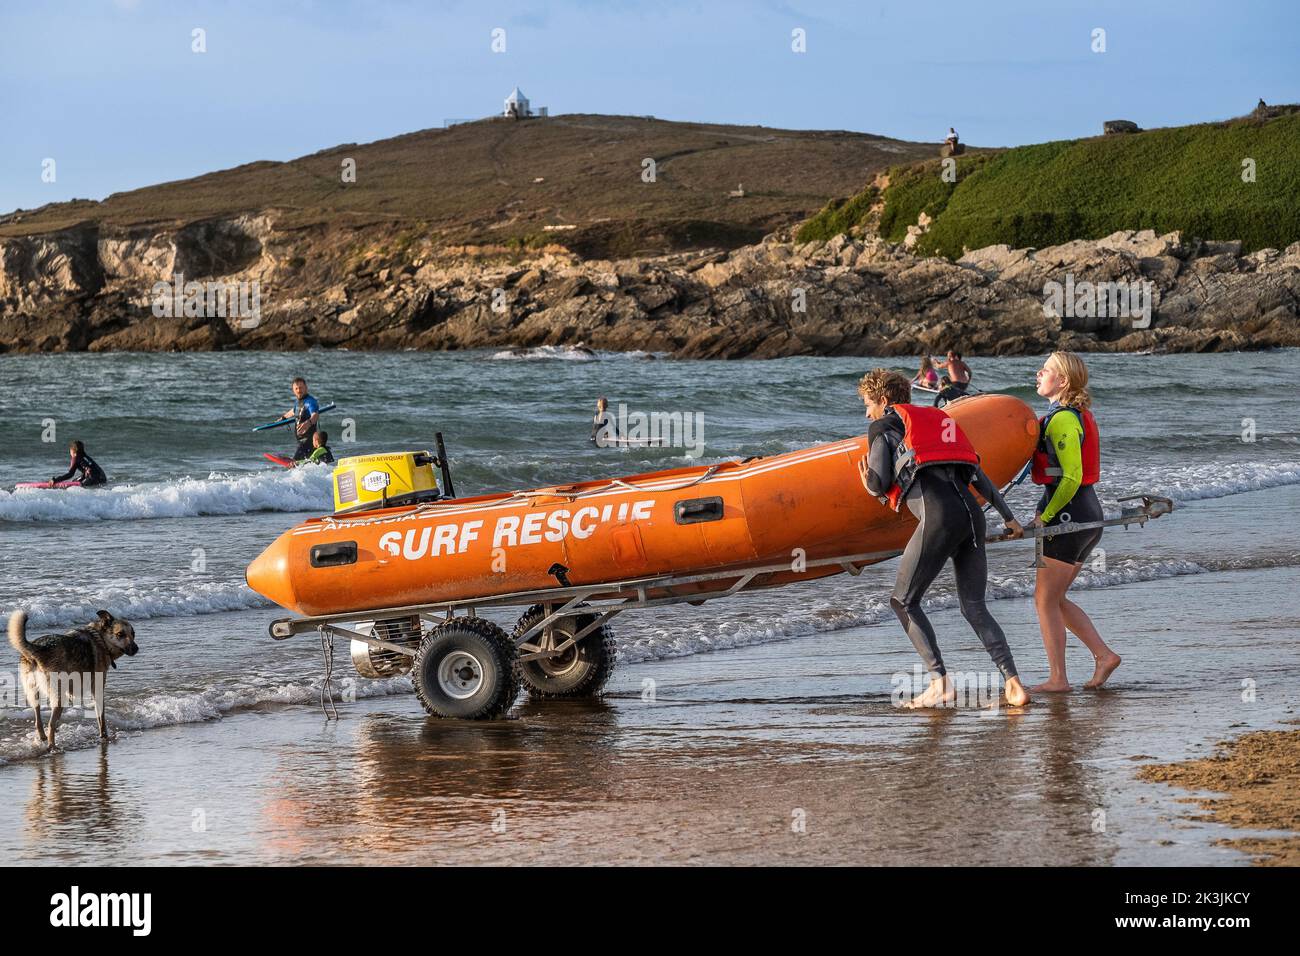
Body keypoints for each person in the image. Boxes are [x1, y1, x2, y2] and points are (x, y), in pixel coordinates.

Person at [856, 369, 1029, 709]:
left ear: (884, 400)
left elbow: (878, 481)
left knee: (903, 602)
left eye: (868, 404)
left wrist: (866, 483)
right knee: (974, 606)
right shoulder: (939, 421)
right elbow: (978, 476)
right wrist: (1009, 517)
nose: (867, 413)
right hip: (972, 514)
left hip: (939, 518)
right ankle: (1014, 684)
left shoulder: (883, 426)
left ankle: (940, 684)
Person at [1029, 351, 1121, 692]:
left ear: (1063, 381)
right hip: (1085, 515)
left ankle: (1058, 679)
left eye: (1046, 370)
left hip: (1068, 516)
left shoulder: (1064, 419)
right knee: (1055, 598)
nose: (1038, 374)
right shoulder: (1077, 414)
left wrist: (1046, 515)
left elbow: (1071, 476)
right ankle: (1103, 655)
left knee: (1044, 599)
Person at [280, 377, 321, 462]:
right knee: (307, 464)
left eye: (301, 388)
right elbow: (294, 411)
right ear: (293, 390)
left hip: (308, 440)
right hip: (301, 441)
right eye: (296, 388)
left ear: (306, 388)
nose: (299, 390)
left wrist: (308, 423)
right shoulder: (298, 402)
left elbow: (315, 415)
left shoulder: (310, 402)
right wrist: (283, 418)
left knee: (294, 464)